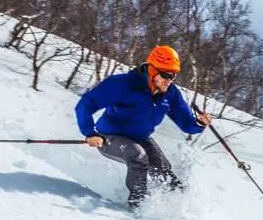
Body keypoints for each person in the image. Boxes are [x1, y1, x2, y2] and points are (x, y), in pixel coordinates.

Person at [74, 45, 212, 209]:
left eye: (173, 75)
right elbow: (85, 104)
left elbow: (187, 124)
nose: (170, 80)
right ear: (152, 70)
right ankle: (138, 208)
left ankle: (179, 208)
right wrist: (90, 133)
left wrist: (200, 123)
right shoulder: (124, 84)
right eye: (166, 74)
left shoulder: (170, 93)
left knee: (163, 169)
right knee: (138, 156)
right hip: (108, 137)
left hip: (140, 138)